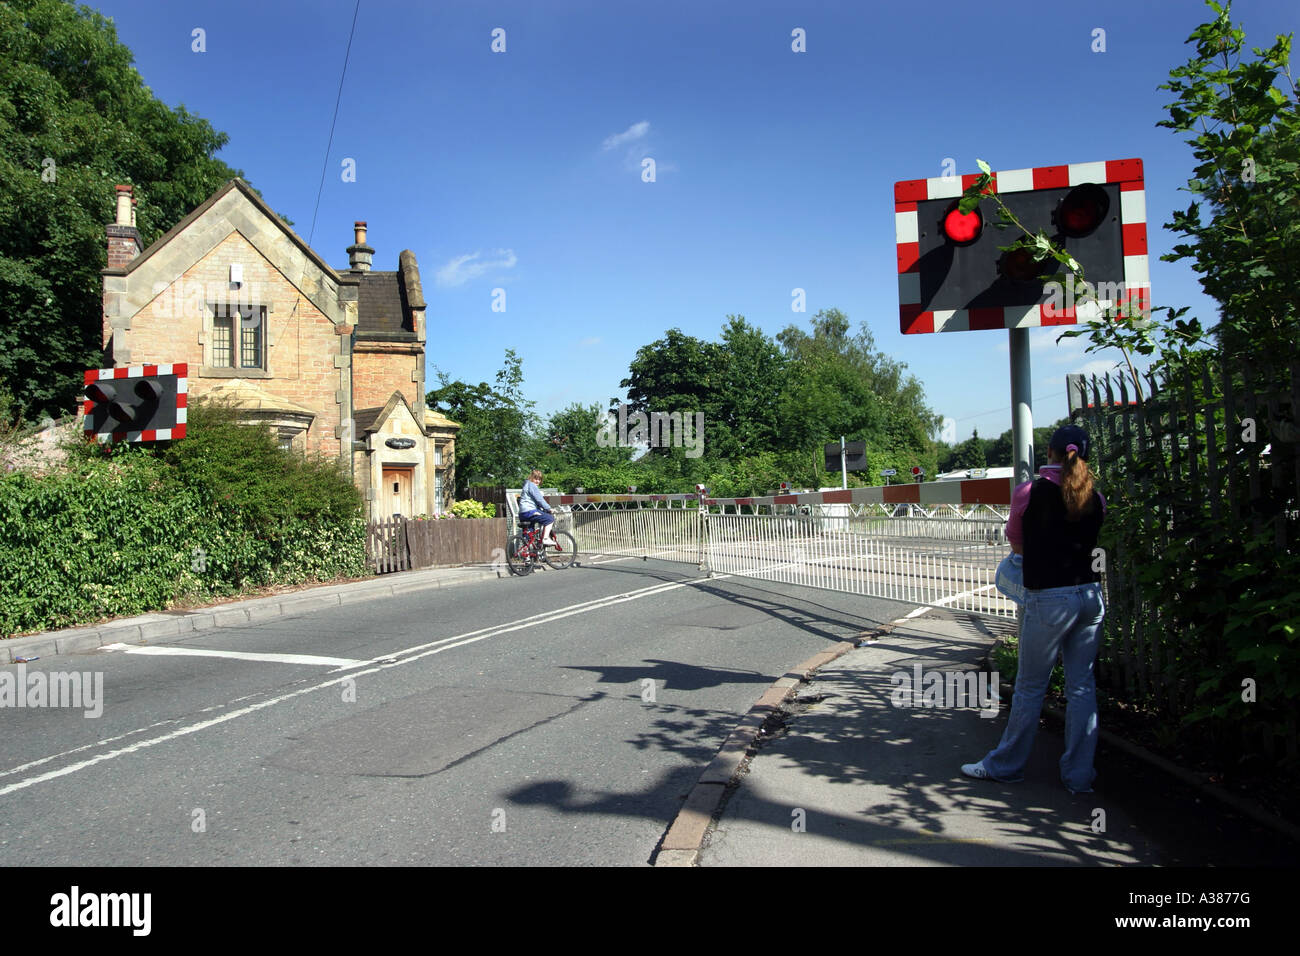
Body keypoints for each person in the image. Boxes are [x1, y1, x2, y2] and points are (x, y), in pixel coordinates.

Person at [962, 424, 1106, 794]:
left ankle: (1006, 766)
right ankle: (1078, 777)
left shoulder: (1029, 492)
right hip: (1090, 597)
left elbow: (1017, 542)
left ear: (1050, 454)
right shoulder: (1098, 498)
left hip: (1050, 599)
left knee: (1029, 686)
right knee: (1082, 687)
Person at [518, 469, 561, 549]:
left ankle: (526, 555)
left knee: (529, 535)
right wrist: (549, 509)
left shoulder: (526, 485)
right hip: (529, 511)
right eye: (535, 478)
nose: (537, 481)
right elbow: (539, 499)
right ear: (531, 478)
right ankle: (545, 539)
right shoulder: (532, 485)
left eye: (539, 479)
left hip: (523, 513)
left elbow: (533, 501)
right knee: (549, 519)